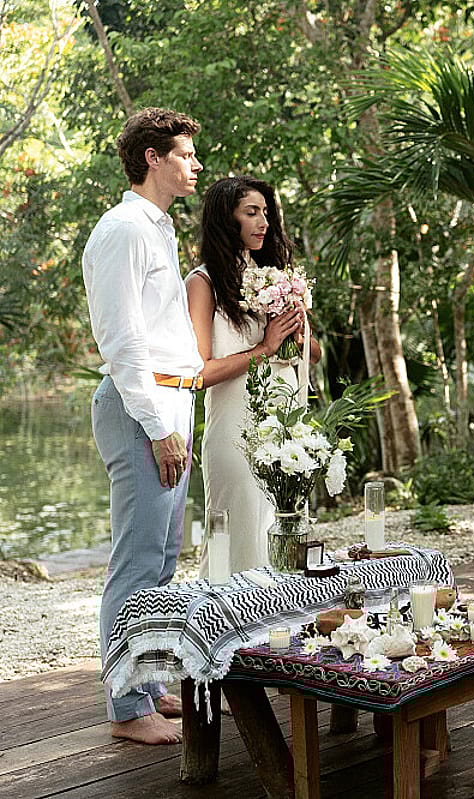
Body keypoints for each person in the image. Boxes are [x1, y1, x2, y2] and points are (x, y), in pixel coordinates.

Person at [83, 107, 204, 745]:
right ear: (153, 158)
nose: (196, 164)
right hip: (142, 409)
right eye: (185, 154)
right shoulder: (124, 229)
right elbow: (123, 339)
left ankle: (151, 682)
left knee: (160, 563)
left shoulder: (157, 228)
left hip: (171, 404)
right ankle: (127, 709)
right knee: (134, 563)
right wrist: (158, 427)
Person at [186, 176, 320, 576]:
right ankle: (222, 632)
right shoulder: (203, 283)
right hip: (235, 431)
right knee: (238, 537)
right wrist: (262, 349)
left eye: (265, 212)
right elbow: (199, 372)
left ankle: (283, 635)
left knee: (286, 535)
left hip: (285, 431)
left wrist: (296, 330)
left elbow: (312, 354)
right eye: (251, 212)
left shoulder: (274, 276)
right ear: (227, 220)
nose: (263, 221)